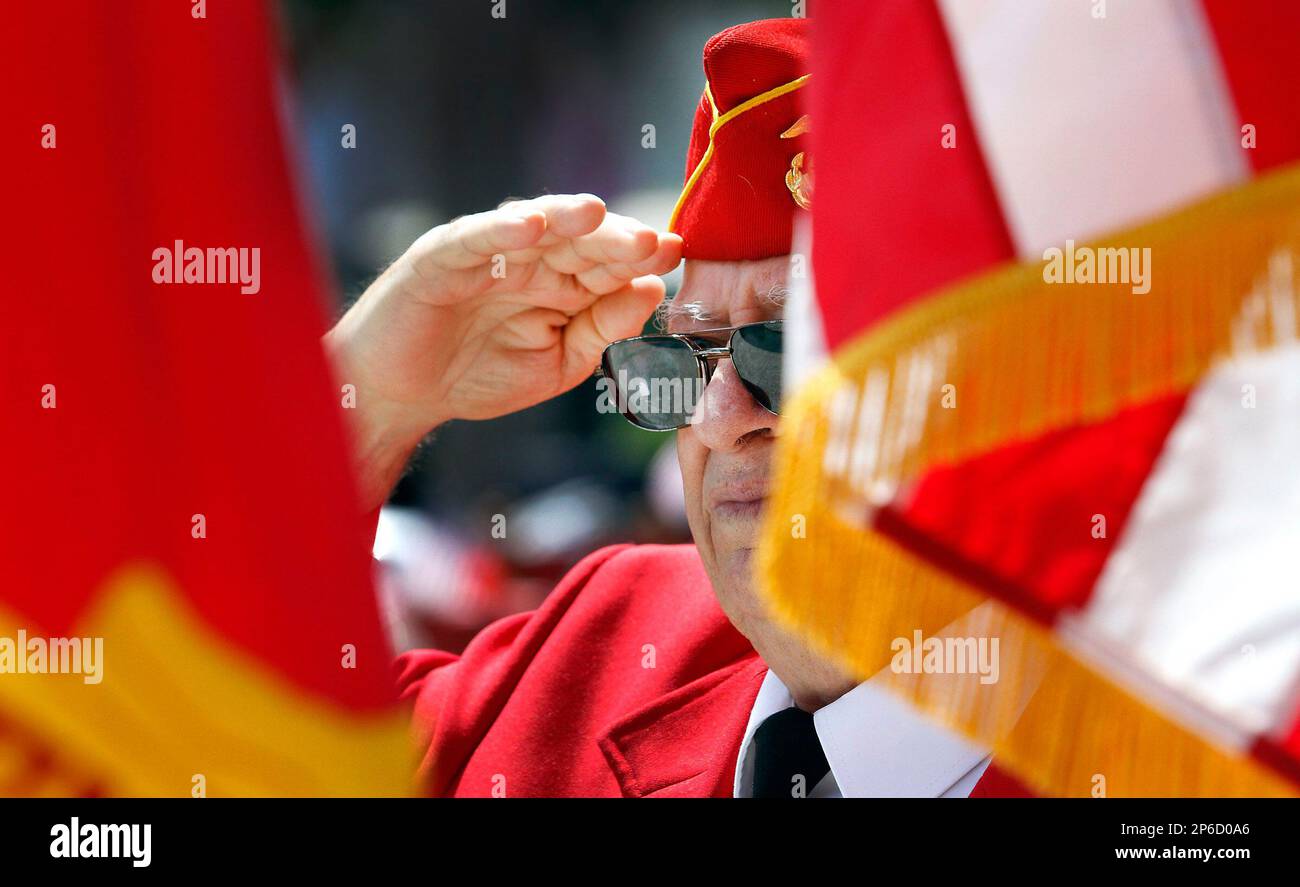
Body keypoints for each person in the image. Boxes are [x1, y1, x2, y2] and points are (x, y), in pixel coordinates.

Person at [326, 17, 1028, 797]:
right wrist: (368, 398)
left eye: (790, 349)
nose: (718, 418)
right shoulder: (606, 642)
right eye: (684, 357)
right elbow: (245, 739)